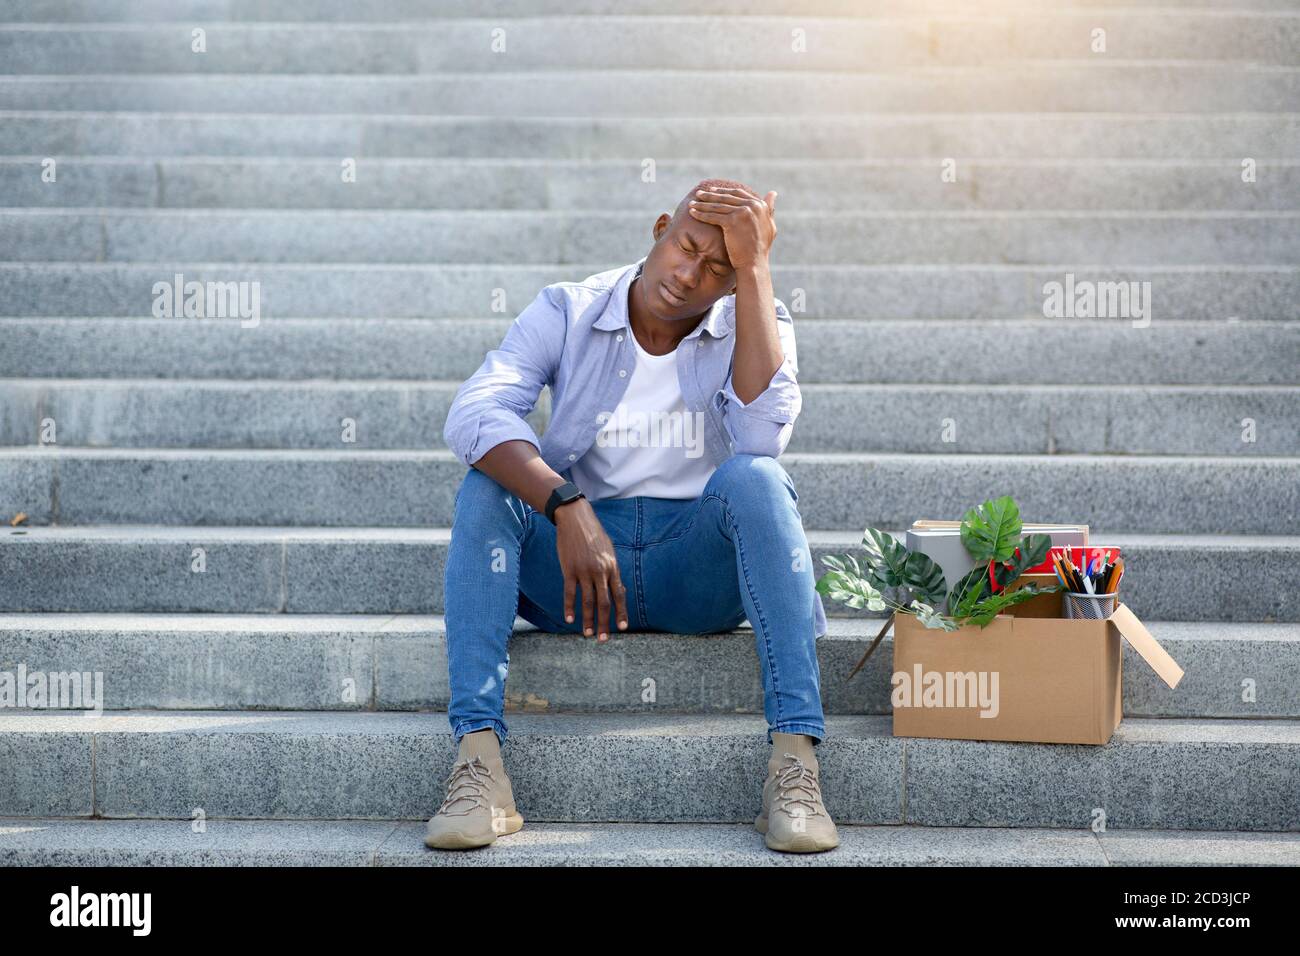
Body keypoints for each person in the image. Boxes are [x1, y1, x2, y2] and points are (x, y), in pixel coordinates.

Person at [426, 178, 837, 854]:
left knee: (757, 479)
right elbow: (474, 412)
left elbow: (764, 438)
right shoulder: (569, 309)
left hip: (694, 570)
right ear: (658, 229)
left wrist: (756, 268)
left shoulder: (755, 317)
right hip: (581, 572)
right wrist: (564, 504)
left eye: (717, 269)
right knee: (486, 484)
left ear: (734, 285)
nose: (689, 275)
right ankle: (479, 767)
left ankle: (794, 764)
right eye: (685, 247)